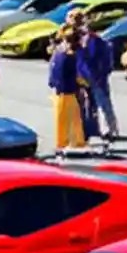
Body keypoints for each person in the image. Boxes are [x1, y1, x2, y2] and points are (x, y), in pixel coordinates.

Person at [76, 9, 120, 144]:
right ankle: (97, 129)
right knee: (92, 105)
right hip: (87, 78)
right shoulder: (87, 42)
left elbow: (97, 62)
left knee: (103, 104)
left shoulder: (97, 43)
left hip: (95, 78)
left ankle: (109, 130)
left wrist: (100, 75)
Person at [49, 28, 87, 160]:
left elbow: (53, 71)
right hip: (68, 90)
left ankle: (72, 142)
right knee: (69, 118)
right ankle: (67, 143)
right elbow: (77, 76)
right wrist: (84, 85)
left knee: (68, 117)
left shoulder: (58, 53)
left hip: (59, 90)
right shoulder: (70, 57)